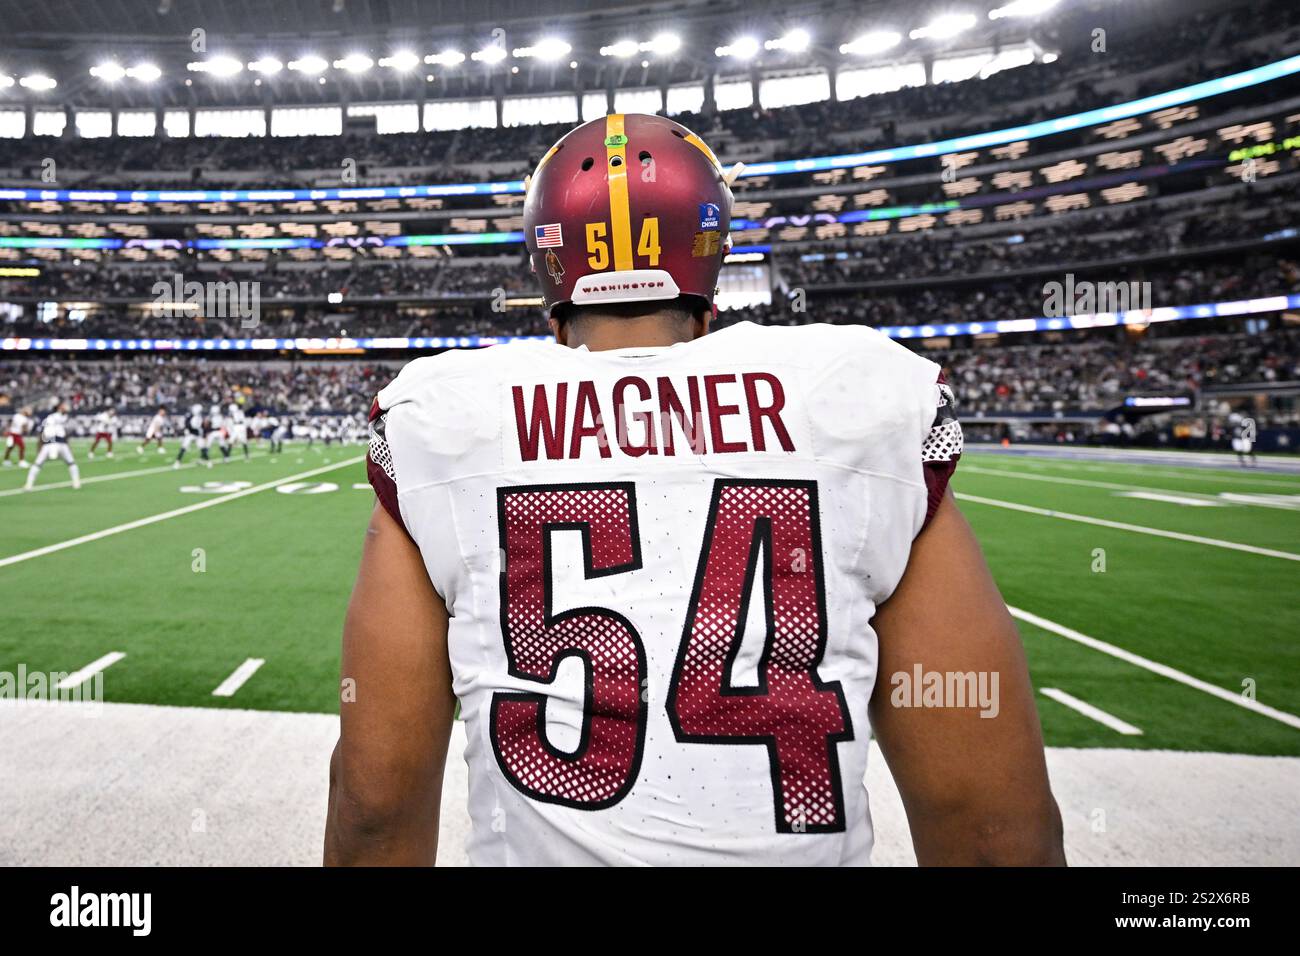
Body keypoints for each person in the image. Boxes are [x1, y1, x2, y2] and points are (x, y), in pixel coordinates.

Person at [325, 114, 1063, 867]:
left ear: (549, 275)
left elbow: (375, 807)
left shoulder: (443, 415)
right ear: (709, 272)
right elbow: (992, 830)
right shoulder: (857, 391)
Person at [24, 402, 81, 491]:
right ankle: (76, 483)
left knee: (37, 464)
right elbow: (65, 431)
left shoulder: (49, 418)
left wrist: (39, 447)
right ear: (58, 409)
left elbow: (41, 433)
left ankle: (28, 485)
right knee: (71, 463)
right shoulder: (62, 417)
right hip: (60, 443)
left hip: (48, 444)